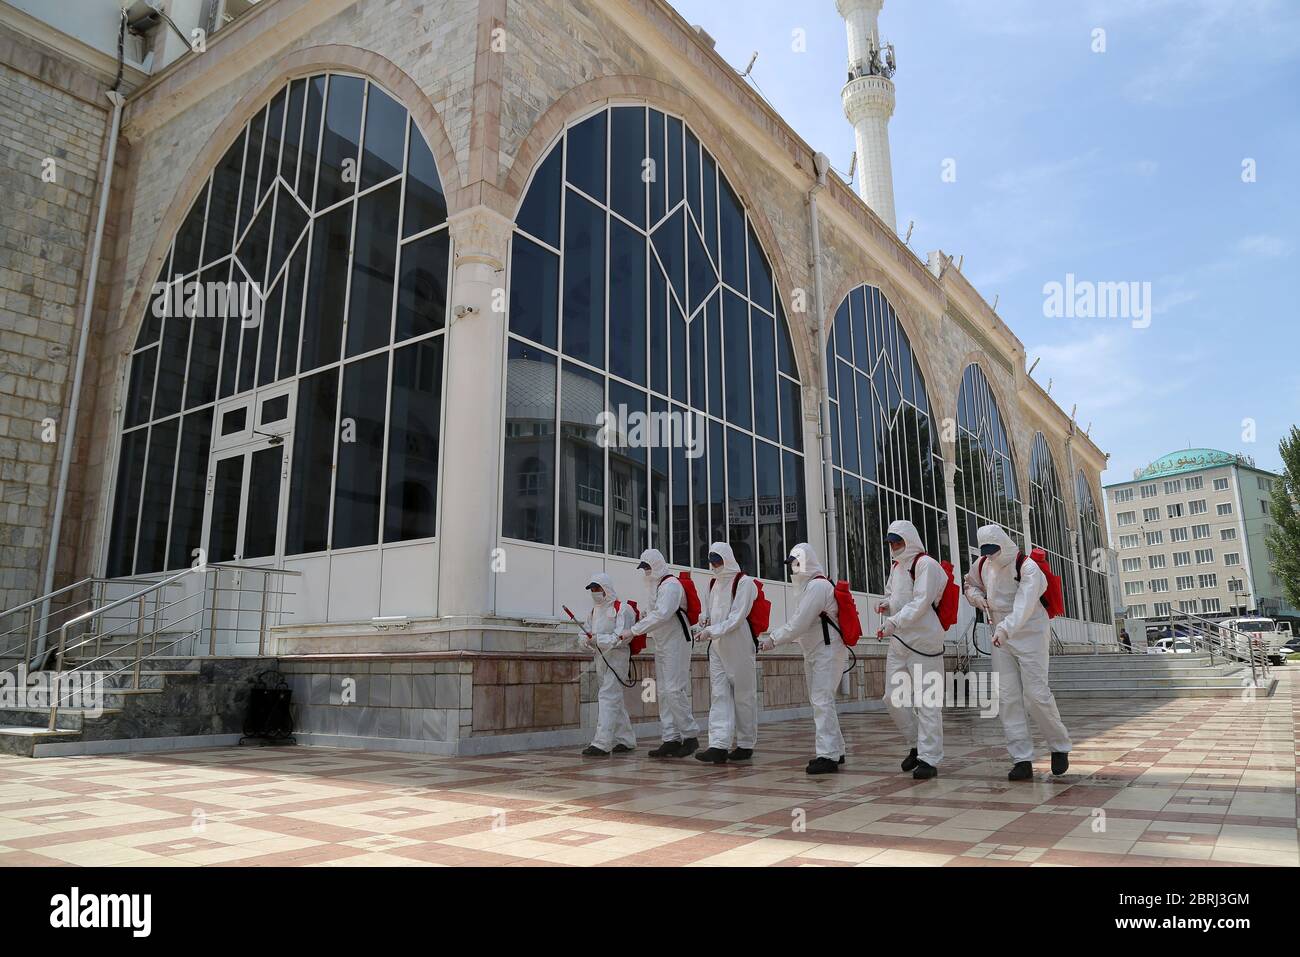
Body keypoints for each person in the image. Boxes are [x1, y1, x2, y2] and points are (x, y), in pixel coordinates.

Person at [962, 524, 1071, 781]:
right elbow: (969, 585)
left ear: (1004, 544)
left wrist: (1004, 630)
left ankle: (1059, 745)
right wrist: (976, 598)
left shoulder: (1027, 568)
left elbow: (1023, 606)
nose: (990, 556)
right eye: (986, 551)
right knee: (1008, 696)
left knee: (1036, 694)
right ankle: (1021, 758)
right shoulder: (983, 564)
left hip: (1030, 632)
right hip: (1001, 636)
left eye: (994, 550)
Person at [759, 542, 847, 774]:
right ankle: (835, 750)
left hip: (826, 651)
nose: (794, 569)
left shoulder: (817, 587)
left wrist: (773, 639)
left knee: (821, 700)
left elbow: (799, 623)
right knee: (823, 700)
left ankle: (827, 755)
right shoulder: (809, 587)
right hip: (818, 651)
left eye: (797, 564)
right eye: (791, 564)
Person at [876, 520, 945, 780]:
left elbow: (921, 601)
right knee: (892, 697)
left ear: (910, 539)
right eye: (891, 542)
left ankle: (929, 756)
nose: (894, 547)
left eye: (898, 541)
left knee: (927, 700)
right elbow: (895, 596)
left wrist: (894, 620)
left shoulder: (926, 565)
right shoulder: (896, 567)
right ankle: (917, 743)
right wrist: (887, 605)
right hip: (900, 640)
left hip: (924, 642)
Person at [623, 548, 700, 758]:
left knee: (674, 690)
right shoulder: (655, 587)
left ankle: (690, 735)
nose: (646, 572)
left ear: (657, 565)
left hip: (677, 642)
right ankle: (670, 738)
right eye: (643, 568)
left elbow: (662, 614)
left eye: (648, 567)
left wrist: (634, 630)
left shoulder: (671, 586)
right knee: (664, 692)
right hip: (662, 643)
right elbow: (652, 615)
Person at [693, 542, 758, 764]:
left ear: (727, 558)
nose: (714, 564)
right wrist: (703, 623)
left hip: (739, 644)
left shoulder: (744, 582)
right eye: (711, 560)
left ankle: (745, 743)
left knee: (743, 696)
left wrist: (711, 630)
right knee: (719, 694)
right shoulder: (712, 584)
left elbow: (737, 618)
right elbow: (709, 613)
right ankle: (718, 744)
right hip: (717, 645)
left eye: (717, 560)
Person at [576, 573, 637, 758]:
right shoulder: (594, 611)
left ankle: (601, 743)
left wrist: (598, 640)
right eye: (592, 589)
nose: (594, 592)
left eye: (597, 588)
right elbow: (583, 634)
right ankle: (627, 739)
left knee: (607, 697)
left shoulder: (622, 609)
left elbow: (622, 637)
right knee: (614, 699)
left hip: (617, 660)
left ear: (606, 589)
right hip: (600, 660)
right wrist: (585, 642)